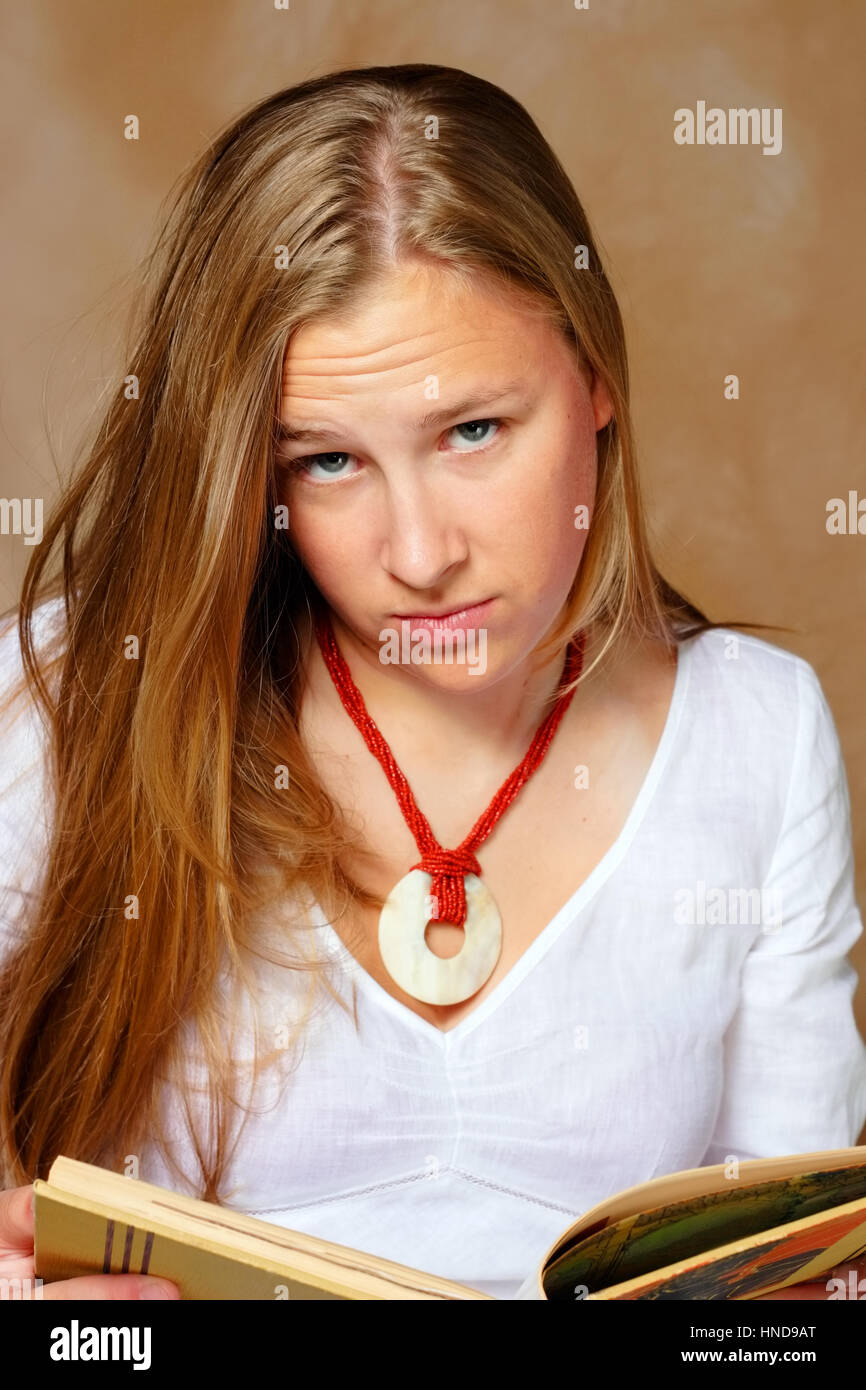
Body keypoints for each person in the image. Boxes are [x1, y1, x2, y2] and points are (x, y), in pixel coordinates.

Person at [1, 62, 865, 1303]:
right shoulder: (67, 706)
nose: (418, 555)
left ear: (595, 375)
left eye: (473, 431)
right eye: (331, 461)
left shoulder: (759, 736)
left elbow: (797, 1293)